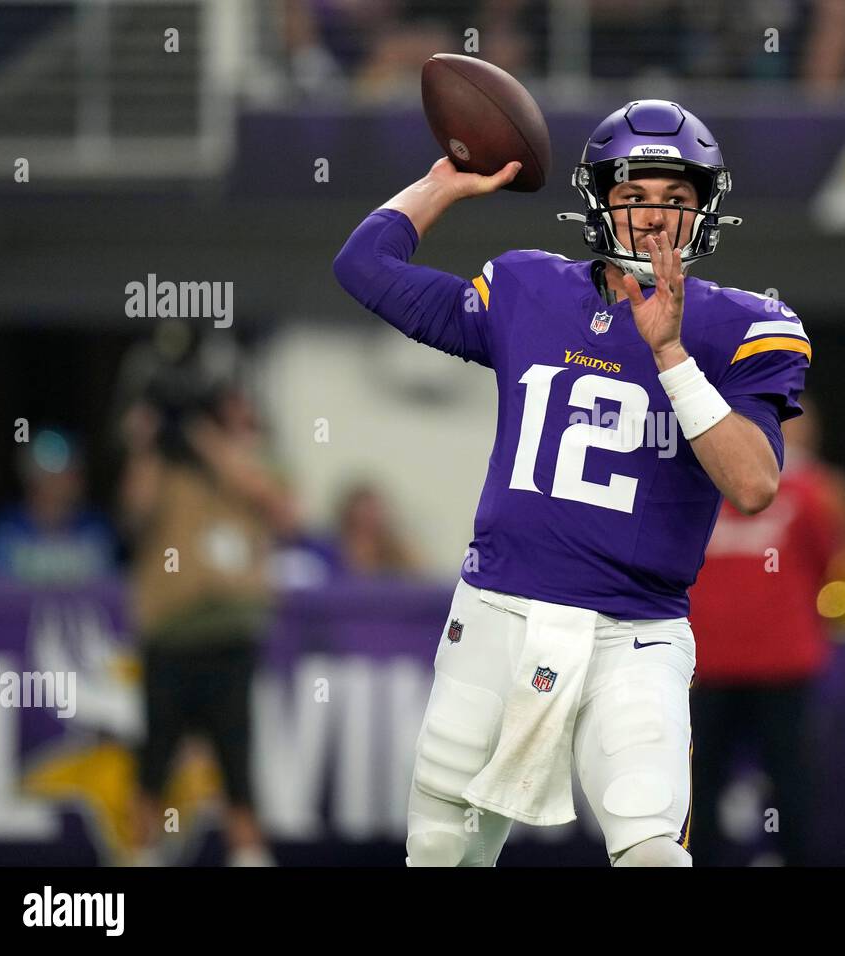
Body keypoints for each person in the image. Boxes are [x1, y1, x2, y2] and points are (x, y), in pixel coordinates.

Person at [333, 99, 810, 866]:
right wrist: (442, 185)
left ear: (706, 210)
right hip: (497, 612)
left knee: (652, 851)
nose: (655, 219)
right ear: (599, 200)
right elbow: (362, 268)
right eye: (635, 196)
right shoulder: (527, 290)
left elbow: (753, 484)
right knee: (440, 854)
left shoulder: (745, 326)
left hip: (634, 632)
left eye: (677, 199)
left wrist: (672, 356)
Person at [120, 373, 297, 867]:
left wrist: (206, 439)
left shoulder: (250, 467)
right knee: (153, 762)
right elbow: (135, 513)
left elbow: (285, 513)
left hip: (229, 637)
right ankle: (139, 854)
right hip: (171, 636)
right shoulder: (166, 469)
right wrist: (147, 443)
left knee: (237, 769)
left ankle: (248, 855)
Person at [686, 396, 845, 866]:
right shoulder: (812, 491)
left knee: (703, 783)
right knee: (786, 780)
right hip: (767, 661)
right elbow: (831, 567)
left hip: (722, 661)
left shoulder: (701, 482)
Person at [0, 428, 118, 585]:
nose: (75, 481)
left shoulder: (96, 529)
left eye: (75, 473)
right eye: (64, 475)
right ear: (34, 481)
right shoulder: (3, 531)